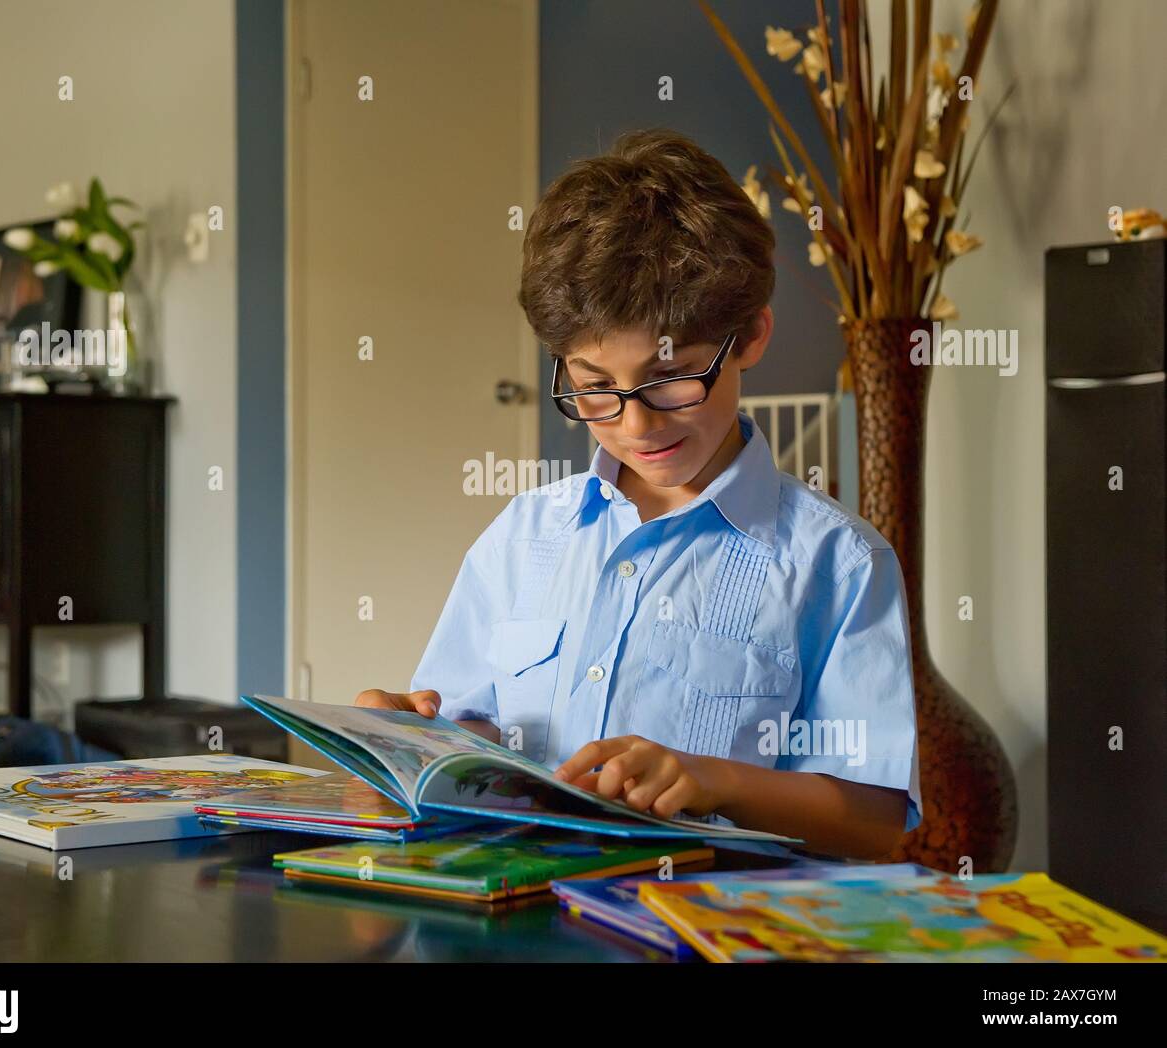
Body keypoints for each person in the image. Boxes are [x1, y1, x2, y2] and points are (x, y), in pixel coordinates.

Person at [357, 129, 920, 860]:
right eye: (594, 387)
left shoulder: (838, 564)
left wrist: (713, 780)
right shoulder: (523, 538)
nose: (635, 423)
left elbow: (875, 820)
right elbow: (472, 733)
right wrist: (406, 736)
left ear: (750, 335)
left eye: (671, 377)